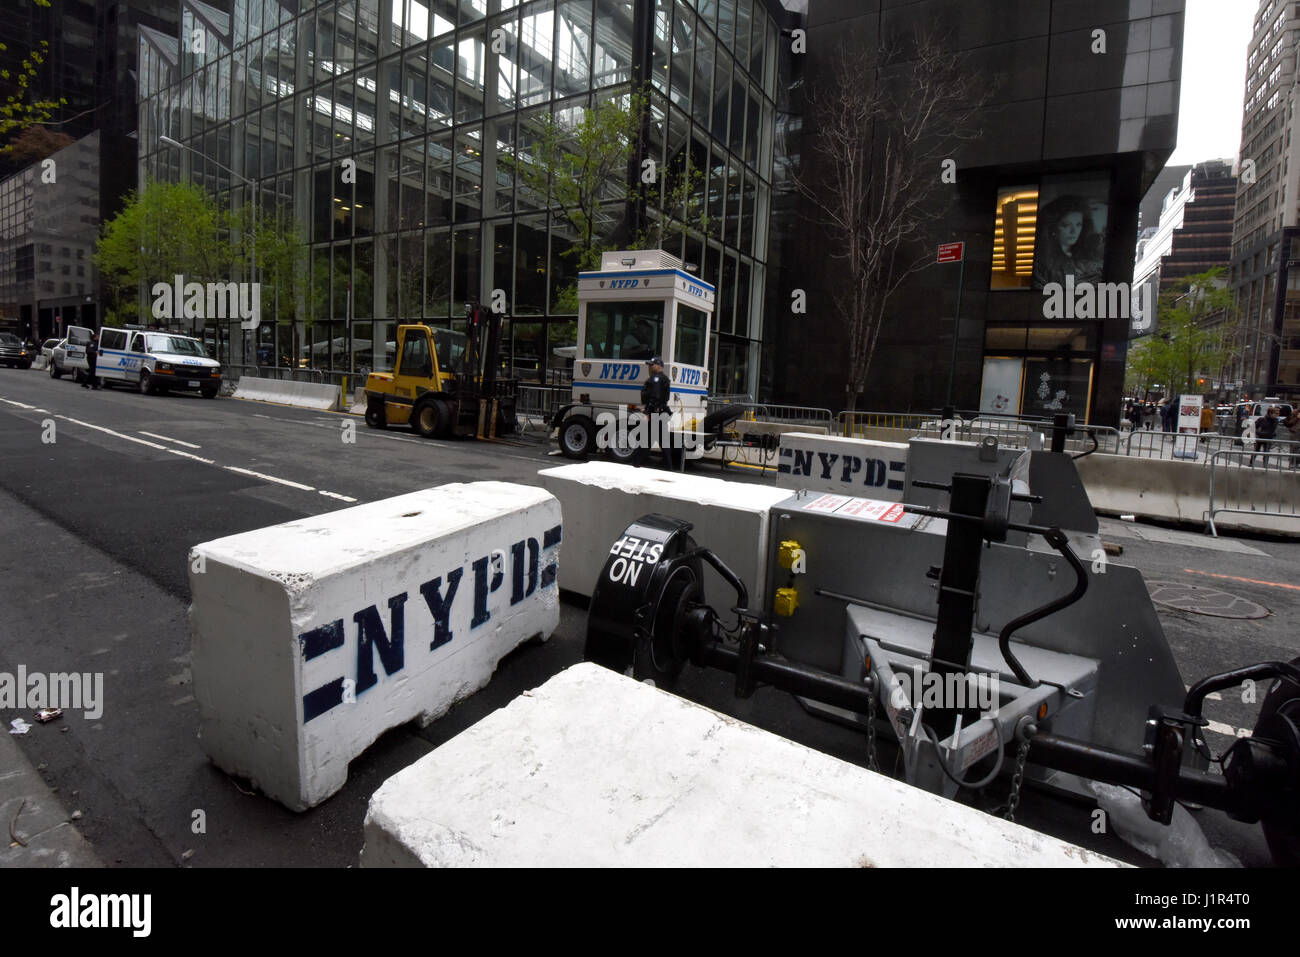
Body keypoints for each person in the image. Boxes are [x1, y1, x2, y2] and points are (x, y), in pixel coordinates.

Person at [1032, 195, 1103, 289]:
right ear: (1053, 228)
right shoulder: (1041, 262)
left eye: (1078, 225)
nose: (1074, 231)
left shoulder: (1092, 255)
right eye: (1066, 225)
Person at [640, 355, 678, 470]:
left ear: (659, 366)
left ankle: (636, 464)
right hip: (659, 414)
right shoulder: (661, 378)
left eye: (652, 365)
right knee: (655, 442)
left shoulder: (657, 379)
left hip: (656, 414)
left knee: (647, 442)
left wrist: (648, 412)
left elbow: (655, 397)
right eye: (649, 365)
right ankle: (668, 467)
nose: (650, 367)